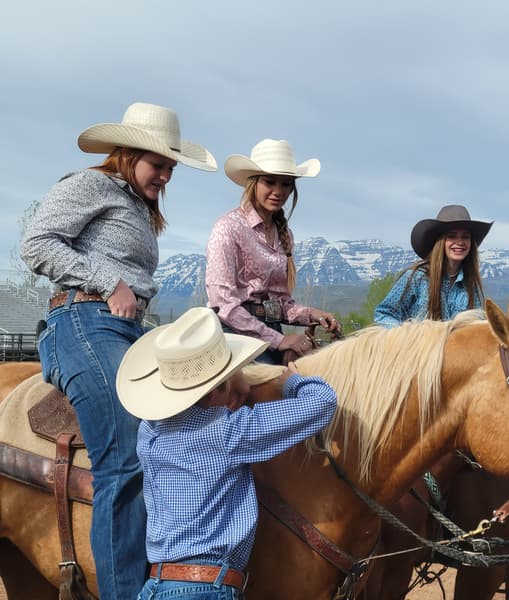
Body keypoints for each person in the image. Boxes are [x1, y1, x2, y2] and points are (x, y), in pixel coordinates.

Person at [20, 101, 217, 598]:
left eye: (173, 167)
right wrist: (110, 282)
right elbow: (37, 243)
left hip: (124, 328)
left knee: (190, 428)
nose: (167, 176)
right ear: (128, 154)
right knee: (126, 454)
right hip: (82, 320)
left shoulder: (137, 207)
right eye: (160, 164)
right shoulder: (90, 185)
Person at [116, 306, 337, 599]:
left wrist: (229, 382)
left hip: (157, 585)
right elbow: (322, 402)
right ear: (211, 392)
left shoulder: (149, 431)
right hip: (206, 589)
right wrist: (290, 379)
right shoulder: (227, 432)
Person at [205, 138, 341, 365]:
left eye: (286, 184)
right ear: (254, 183)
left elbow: (281, 303)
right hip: (234, 335)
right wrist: (279, 340)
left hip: (271, 331)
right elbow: (223, 303)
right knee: (272, 384)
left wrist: (313, 314)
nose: (279, 192)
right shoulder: (228, 227)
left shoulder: (283, 234)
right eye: (270, 182)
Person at [373, 204, 492, 327]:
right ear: (440, 241)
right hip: (418, 345)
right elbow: (383, 313)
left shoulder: (471, 285)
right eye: (452, 236)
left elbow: (477, 325)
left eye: (465, 237)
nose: (460, 242)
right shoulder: (416, 278)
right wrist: (408, 336)